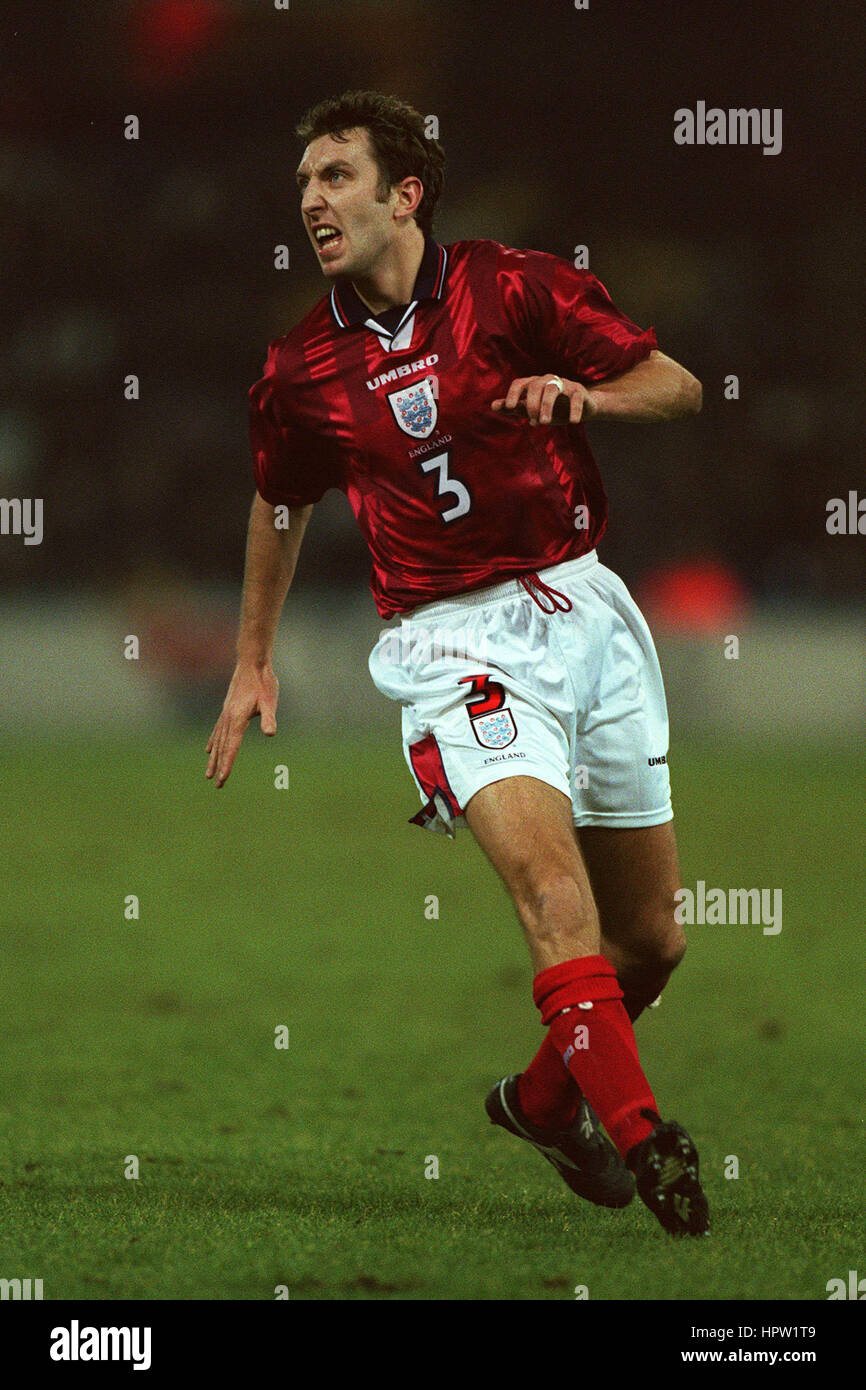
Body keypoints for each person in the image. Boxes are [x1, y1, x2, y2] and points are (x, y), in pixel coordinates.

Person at [206, 90, 709, 1236]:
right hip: (449, 641)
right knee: (549, 895)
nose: (311, 202)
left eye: (335, 177)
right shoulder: (301, 368)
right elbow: (278, 502)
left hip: (583, 605)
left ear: (404, 194)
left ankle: (542, 1104)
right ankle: (643, 1136)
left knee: (651, 941)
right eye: (302, 184)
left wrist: (585, 392)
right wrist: (250, 660)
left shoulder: (513, 287)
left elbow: (674, 385)